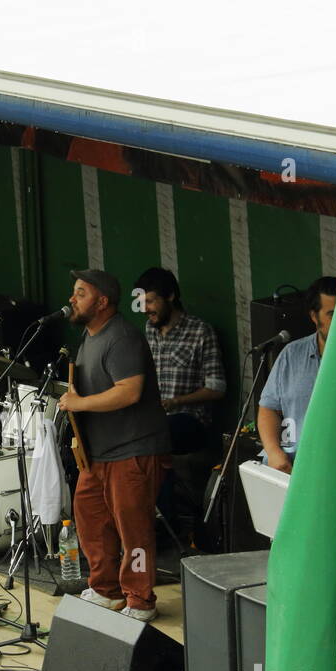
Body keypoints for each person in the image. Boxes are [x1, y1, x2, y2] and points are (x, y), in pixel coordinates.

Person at [58, 269, 172, 622]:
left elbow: (129, 391)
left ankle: (140, 599)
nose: (72, 299)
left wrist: (78, 404)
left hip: (133, 450)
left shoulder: (122, 337)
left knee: (133, 530)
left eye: (80, 293)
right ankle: (106, 590)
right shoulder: (90, 338)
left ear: (102, 301)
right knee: (90, 518)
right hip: (99, 455)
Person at [137, 266, 226, 523]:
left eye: (151, 301)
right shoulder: (149, 330)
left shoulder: (201, 331)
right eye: (142, 303)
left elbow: (217, 388)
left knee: (157, 438)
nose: (146, 309)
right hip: (155, 419)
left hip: (192, 420)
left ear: (171, 297)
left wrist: (176, 401)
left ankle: (165, 522)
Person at [257, 276, 336, 473]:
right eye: (332, 314)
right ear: (314, 316)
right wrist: (274, 452)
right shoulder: (292, 354)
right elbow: (269, 409)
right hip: (294, 468)